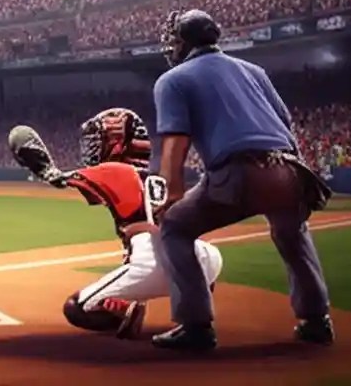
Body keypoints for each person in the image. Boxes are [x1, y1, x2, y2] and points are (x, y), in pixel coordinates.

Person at [151, 10, 334, 352]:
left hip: (239, 173)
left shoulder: (173, 80)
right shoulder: (255, 71)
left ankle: (196, 327)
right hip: (288, 169)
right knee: (290, 231)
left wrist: (171, 194)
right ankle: (316, 321)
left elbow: (175, 141)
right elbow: (284, 120)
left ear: (184, 42)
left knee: (175, 226)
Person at [12, 109, 223, 341]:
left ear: (117, 144)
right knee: (156, 250)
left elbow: (57, 178)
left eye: (97, 140)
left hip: (154, 263)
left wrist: (35, 158)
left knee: (76, 308)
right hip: (205, 258)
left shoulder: (115, 170)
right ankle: (197, 320)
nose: (92, 147)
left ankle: (124, 312)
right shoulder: (161, 178)